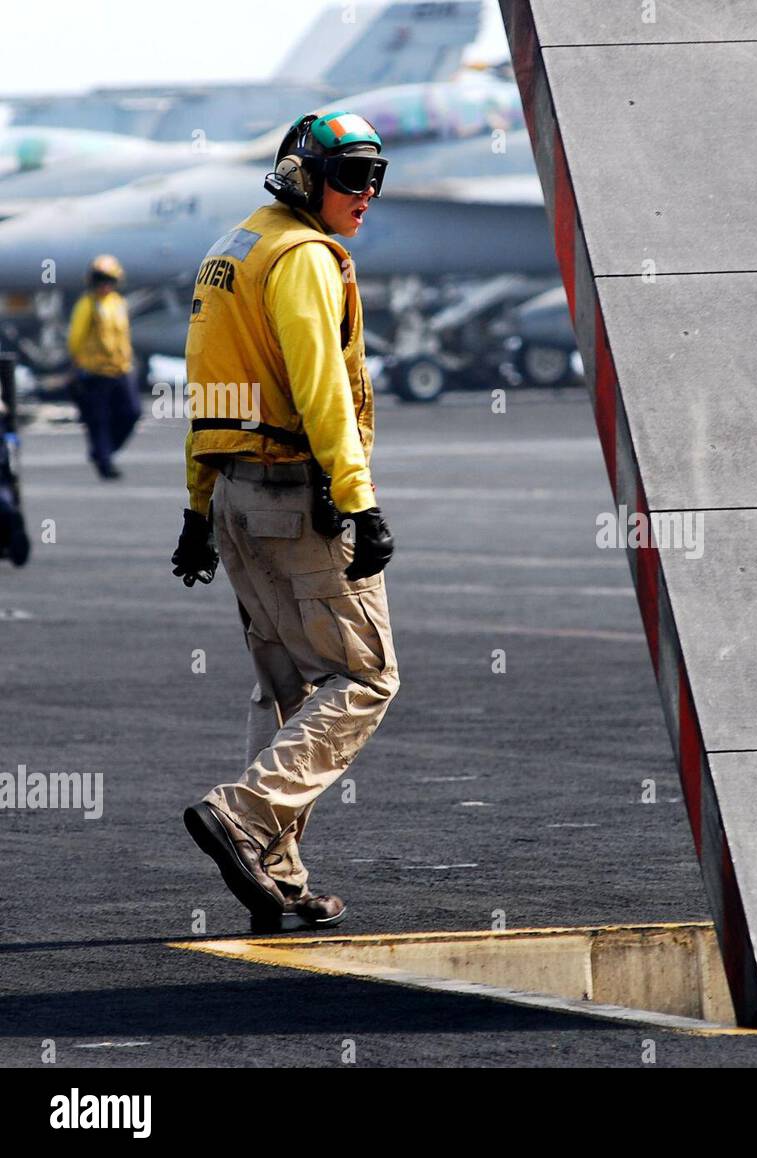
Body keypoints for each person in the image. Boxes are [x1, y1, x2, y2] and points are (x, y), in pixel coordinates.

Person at [172, 109, 400, 932]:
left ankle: (275, 872)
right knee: (367, 677)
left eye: (376, 175)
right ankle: (243, 816)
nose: (367, 193)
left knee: (285, 686)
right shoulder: (303, 257)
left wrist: (199, 509)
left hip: (235, 498)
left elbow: (210, 394)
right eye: (350, 176)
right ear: (304, 177)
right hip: (293, 497)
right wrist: (360, 497)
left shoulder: (232, 250)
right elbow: (321, 389)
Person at [66, 254, 139, 480]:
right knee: (98, 420)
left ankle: (104, 451)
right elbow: (76, 338)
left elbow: (124, 335)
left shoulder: (118, 303)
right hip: (95, 373)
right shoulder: (87, 305)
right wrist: (78, 365)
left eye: (108, 280)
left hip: (121, 369)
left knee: (132, 412)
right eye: (100, 279)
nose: (104, 285)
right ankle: (105, 463)